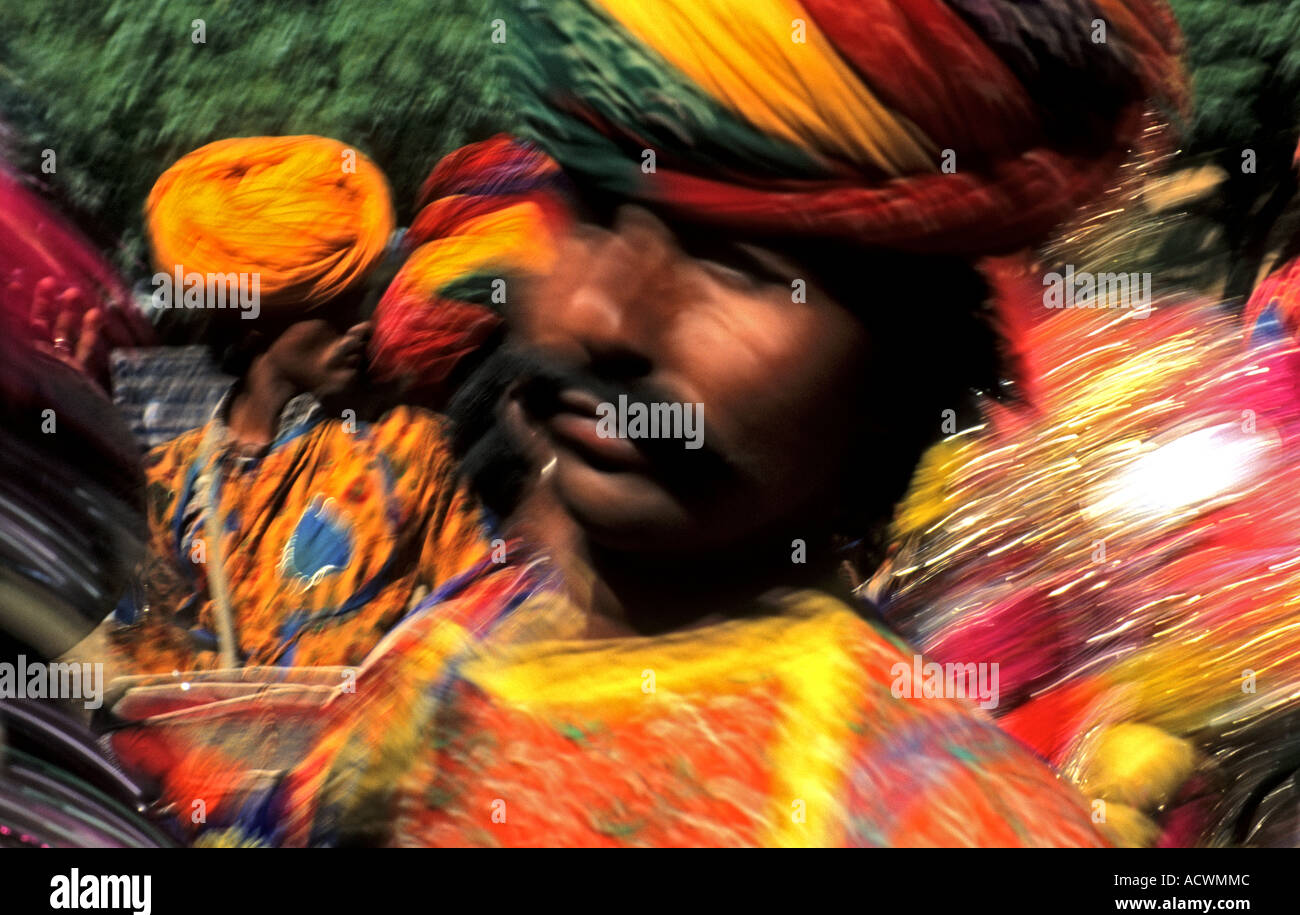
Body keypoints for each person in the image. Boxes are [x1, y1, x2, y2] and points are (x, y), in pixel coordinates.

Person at [104, 0, 1181, 846]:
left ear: (900, 362)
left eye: (734, 265)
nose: (595, 316)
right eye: (591, 217)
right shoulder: (451, 652)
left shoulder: (944, 813)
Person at [99, 135, 495, 674]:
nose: (361, 326)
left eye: (361, 301)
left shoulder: (410, 452)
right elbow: (135, 659)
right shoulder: (168, 484)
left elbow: (487, 622)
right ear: (256, 321)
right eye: (331, 308)